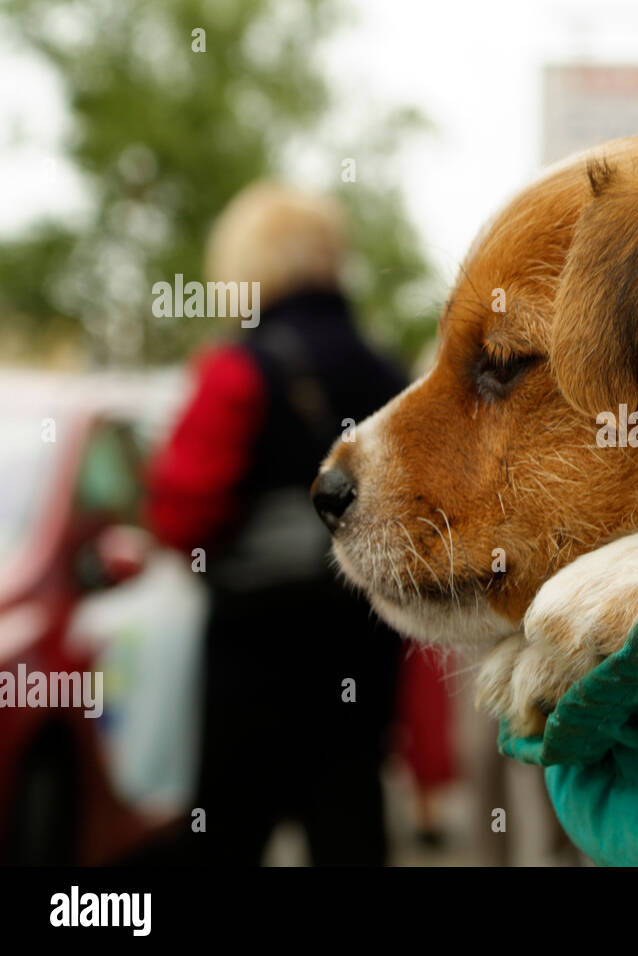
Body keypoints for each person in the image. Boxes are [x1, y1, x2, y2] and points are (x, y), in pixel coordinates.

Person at [145, 183, 408, 864]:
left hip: (253, 657)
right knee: (350, 825)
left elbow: (181, 516)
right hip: (359, 648)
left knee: (225, 834)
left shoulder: (237, 370)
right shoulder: (389, 373)